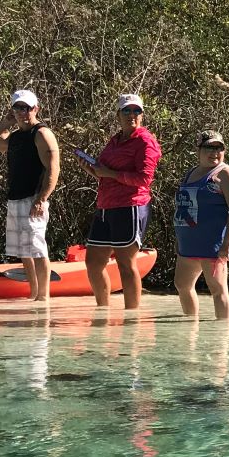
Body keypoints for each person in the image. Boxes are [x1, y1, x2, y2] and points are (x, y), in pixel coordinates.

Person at [79, 92, 161, 309]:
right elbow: (105, 172)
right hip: (105, 207)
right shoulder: (115, 140)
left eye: (136, 111)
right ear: (118, 114)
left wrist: (109, 173)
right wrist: (93, 170)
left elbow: (144, 179)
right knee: (94, 263)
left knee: (126, 264)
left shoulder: (145, 141)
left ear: (142, 115)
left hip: (130, 206)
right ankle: (102, 312)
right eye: (126, 110)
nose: (131, 115)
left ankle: (131, 317)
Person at [0, 88, 59, 301]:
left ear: (36, 109)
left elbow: (54, 168)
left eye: (27, 108)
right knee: (24, 250)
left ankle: (44, 297)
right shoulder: (15, 137)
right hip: (15, 198)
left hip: (33, 199)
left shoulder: (42, 133)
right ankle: (33, 293)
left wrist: (41, 199)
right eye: (18, 107)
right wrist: (5, 123)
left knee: (37, 247)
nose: (23, 112)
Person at [173, 129, 229, 320]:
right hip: (188, 244)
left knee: (218, 290)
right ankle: (191, 327)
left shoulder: (227, 175)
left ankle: (221, 339)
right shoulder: (191, 173)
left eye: (218, 148)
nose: (214, 152)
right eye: (209, 148)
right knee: (182, 284)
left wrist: (227, 244)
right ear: (198, 150)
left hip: (213, 245)